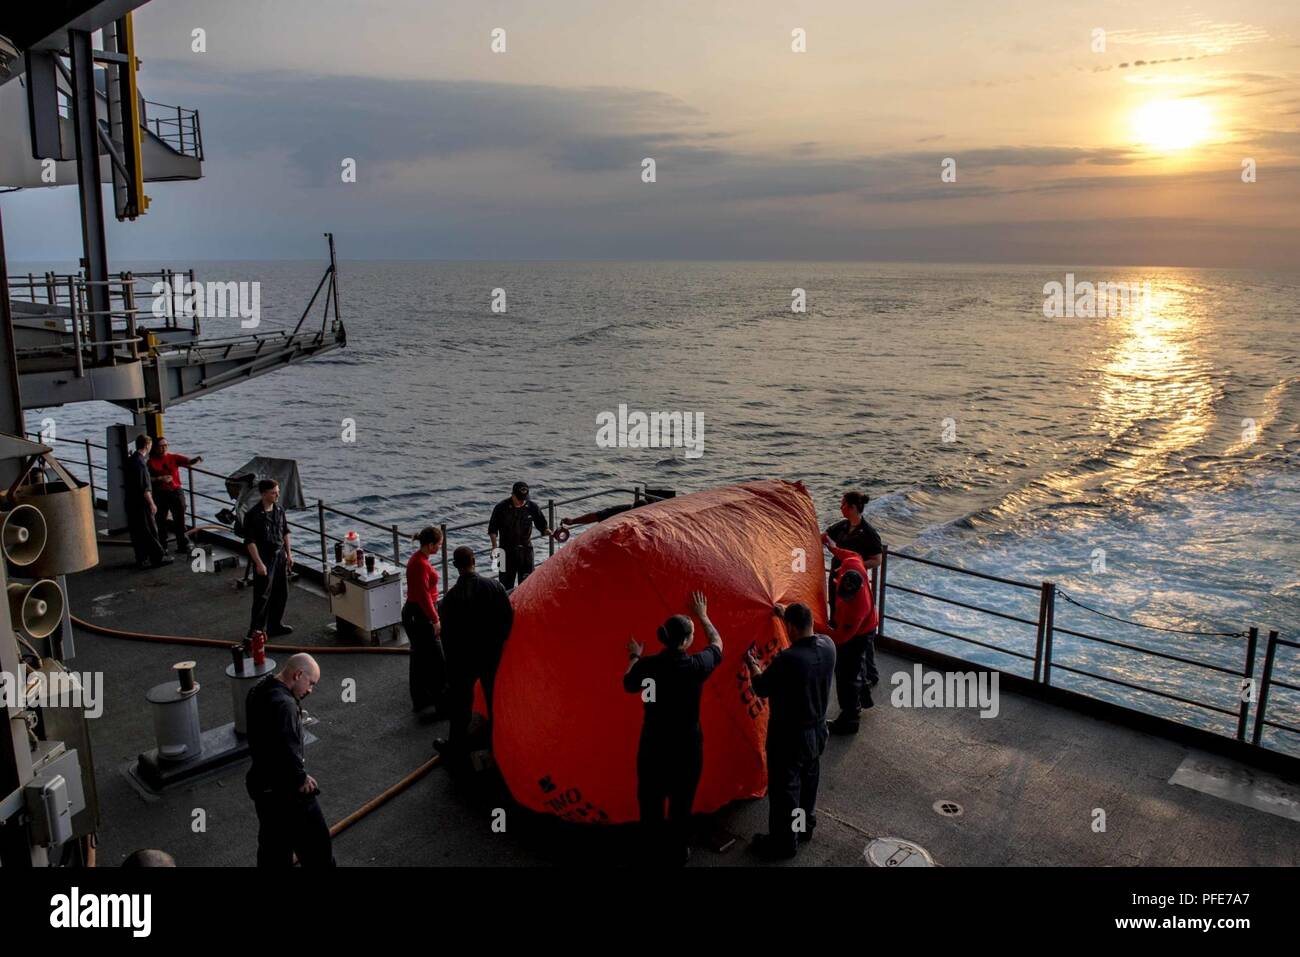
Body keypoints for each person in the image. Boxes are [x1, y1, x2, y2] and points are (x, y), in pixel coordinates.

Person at [622, 590, 723, 866]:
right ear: (687, 641)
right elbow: (717, 644)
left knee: (650, 804)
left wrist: (634, 655)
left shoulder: (649, 667)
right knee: (681, 805)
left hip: (653, 747)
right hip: (687, 750)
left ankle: (650, 851)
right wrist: (703, 616)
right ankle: (678, 852)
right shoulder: (696, 666)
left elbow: (629, 682)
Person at [744, 602, 835, 860]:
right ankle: (804, 827)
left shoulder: (789, 659)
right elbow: (809, 636)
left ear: (791, 628)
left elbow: (761, 687)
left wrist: (752, 664)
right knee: (809, 781)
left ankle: (784, 843)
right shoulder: (828, 647)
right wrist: (787, 616)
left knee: (786, 791)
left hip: (789, 737)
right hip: (817, 731)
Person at [244, 653, 333, 867]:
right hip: (287, 794)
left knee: (273, 850)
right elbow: (287, 748)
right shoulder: (286, 705)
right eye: (310, 683)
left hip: (263, 788)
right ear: (298, 674)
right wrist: (301, 778)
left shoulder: (258, 690)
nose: (310, 690)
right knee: (318, 851)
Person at [435, 546, 514, 765]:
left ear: (455, 566)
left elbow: (448, 638)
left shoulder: (449, 600)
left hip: (463, 660)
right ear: (474, 561)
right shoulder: (494, 587)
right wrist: (497, 645)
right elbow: (507, 619)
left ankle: (455, 748)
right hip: (490, 655)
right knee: (493, 700)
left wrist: (452, 667)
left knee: (460, 705)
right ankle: (498, 745)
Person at [824, 490, 884, 694]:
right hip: (836, 582)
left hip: (853, 587)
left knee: (861, 632)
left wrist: (853, 567)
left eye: (842, 504)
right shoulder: (841, 527)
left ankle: (870, 674)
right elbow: (824, 537)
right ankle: (842, 659)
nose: (840, 507)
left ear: (851, 507)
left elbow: (877, 559)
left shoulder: (868, 533)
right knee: (837, 617)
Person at [823, 534, 880, 730]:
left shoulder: (856, 609)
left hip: (859, 633)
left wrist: (814, 624)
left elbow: (840, 637)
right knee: (858, 664)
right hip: (870, 625)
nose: (844, 598)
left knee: (846, 672)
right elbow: (846, 552)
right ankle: (863, 696)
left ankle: (850, 718)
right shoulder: (853, 562)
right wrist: (830, 544)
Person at [404, 526, 446, 713]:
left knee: (419, 658)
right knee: (437, 661)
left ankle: (421, 699)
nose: (440, 547)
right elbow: (423, 596)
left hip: (414, 613)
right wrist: (435, 619)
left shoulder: (418, 559)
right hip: (420, 615)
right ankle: (441, 704)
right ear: (430, 545)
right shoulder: (420, 564)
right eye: (439, 544)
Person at [243, 479, 293, 638]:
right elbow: (250, 542)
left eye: (277, 491)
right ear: (263, 494)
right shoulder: (253, 515)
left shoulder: (279, 510)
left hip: (280, 556)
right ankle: (255, 630)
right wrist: (258, 563)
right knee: (262, 596)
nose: (277, 494)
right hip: (264, 558)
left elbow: (285, 531)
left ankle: (275, 625)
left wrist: (289, 554)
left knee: (281, 592)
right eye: (273, 492)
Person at [487, 481, 552, 588]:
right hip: (505, 551)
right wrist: (494, 547)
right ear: (512, 495)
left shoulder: (532, 506)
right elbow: (492, 529)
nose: (521, 502)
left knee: (527, 584)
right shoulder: (500, 508)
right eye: (519, 499)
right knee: (505, 586)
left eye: (524, 499)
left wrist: (547, 531)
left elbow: (542, 525)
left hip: (526, 550)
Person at [146, 436, 202, 555]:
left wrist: (196, 460)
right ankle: (162, 546)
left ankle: (182, 544)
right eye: (161, 446)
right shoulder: (151, 462)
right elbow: (147, 479)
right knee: (161, 520)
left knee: (180, 519)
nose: (164, 448)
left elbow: (188, 461)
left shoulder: (173, 457)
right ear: (155, 448)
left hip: (176, 491)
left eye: (166, 445)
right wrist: (160, 478)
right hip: (160, 494)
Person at [124, 434, 171, 569]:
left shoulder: (131, 460)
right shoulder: (141, 464)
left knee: (137, 532)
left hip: (130, 502)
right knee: (150, 530)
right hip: (141, 503)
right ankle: (158, 557)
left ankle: (142, 558)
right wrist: (152, 503)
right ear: (147, 445)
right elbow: (144, 487)